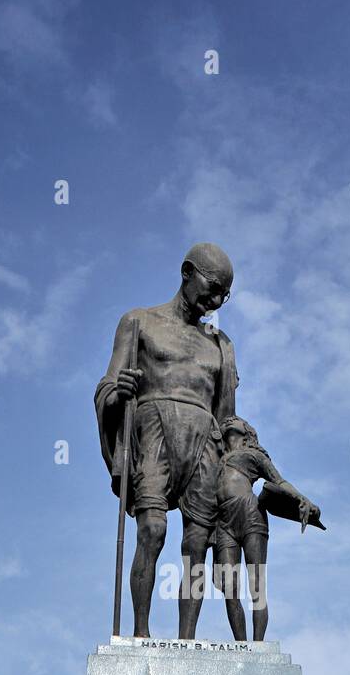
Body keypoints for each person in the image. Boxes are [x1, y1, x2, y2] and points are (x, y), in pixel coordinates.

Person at [95, 243, 238, 639]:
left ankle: (186, 640)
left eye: (223, 295)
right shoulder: (139, 322)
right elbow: (108, 384)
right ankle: (140, 633)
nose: (214, 301)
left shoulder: (221, 346)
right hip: (154, 428)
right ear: (187, 272)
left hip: (203, 440)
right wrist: (117, 392)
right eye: (211, 288)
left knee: (198, 541)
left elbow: (227, 418)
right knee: (153, 530)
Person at [213, 416, 322, 642]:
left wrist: (302, 499)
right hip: (224, 521)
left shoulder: (254, 455)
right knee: (230, 588)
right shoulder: (216, 461)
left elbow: (279, 482)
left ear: (246, 432)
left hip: (250, 514)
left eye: (235, 421)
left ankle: (258, 645)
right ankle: (241, 646)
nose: (230, 420)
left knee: (256, 584)